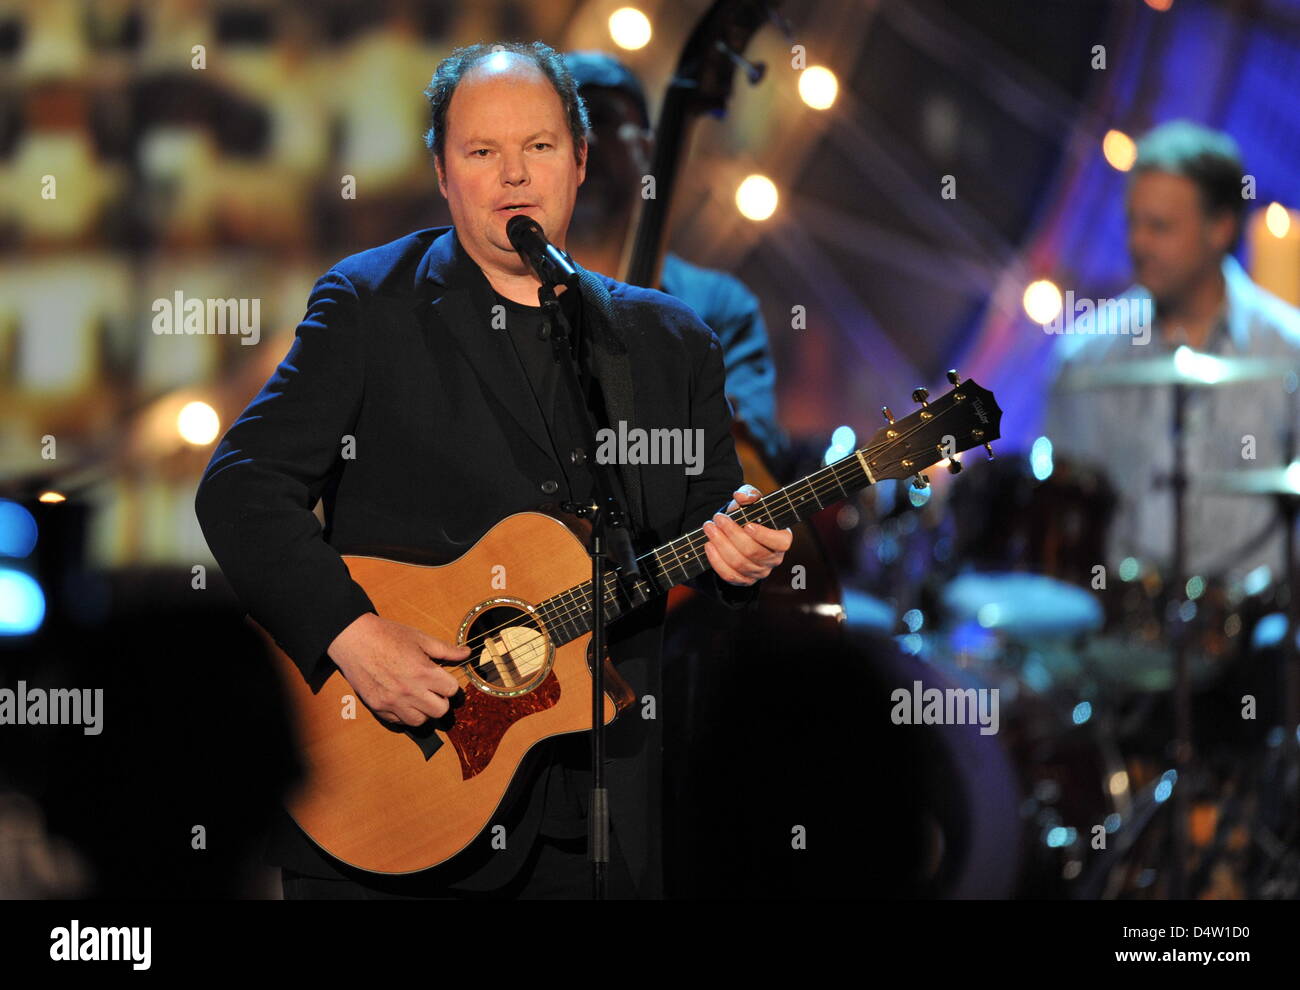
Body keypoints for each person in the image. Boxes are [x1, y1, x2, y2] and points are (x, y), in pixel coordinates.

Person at [194, 41, 791, 900]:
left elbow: (708, 517)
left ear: (580, 161)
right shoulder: (369, 304)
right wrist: (354, 637)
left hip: (598, 814)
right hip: (396, 797)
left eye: (540, 147)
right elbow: (243, 484)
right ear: (443, 171)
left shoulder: (669, 343)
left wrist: (740, 552)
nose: (515, 177)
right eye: (483, 152)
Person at [1045, 120, 1300, 583]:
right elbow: (1064, 522)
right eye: (1133, 224)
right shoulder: (1083, 360)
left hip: (1259, 636)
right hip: (1114, 633)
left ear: (1221, 227)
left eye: (1159, 227)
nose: (1137, 243)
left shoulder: (1289, 353)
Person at [561, 51, 788, 469]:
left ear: (649, 150)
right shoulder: (500, 298)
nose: (585, 141)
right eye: (565, 127)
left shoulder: (720, 306)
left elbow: (753, 468)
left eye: (603, 120)